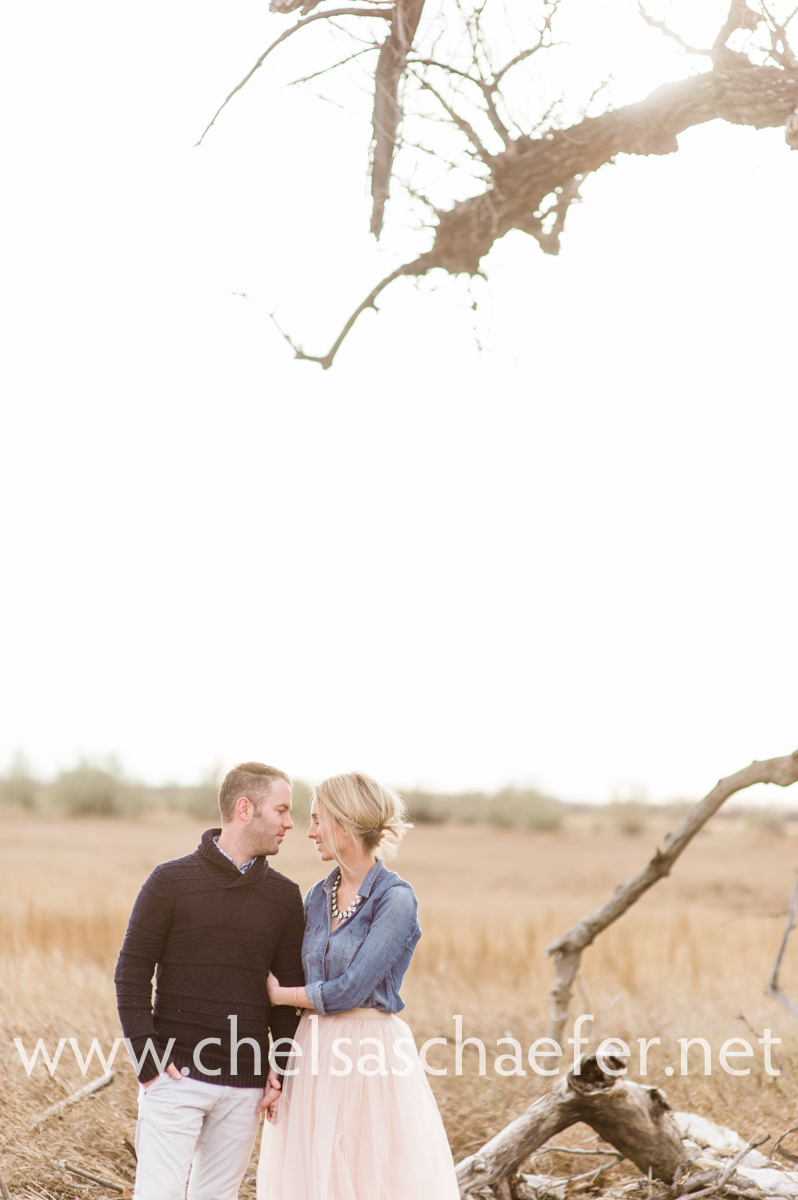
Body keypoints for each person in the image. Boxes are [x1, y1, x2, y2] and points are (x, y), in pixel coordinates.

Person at [257, 771, 460, 1200]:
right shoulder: (317, 895)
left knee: (369, 1174)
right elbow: (304, 974)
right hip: (311, 1047)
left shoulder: (395, 899)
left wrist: (279, 995)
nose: (309, 832)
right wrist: (280, 1057)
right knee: (314, 1174)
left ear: (347, 824)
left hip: (369, 1053)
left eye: (318, 820)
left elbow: (349, 990)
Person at [115, 761, 305, 1200]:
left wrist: (279, 1067)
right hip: (175, 1077)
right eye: (281, 810)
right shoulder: (169, 882)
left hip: (245, 1086)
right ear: (245, 808)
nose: (290, 823)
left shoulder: (284, 897)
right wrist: (148, 1059)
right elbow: (131, 971)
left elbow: (286, 994)